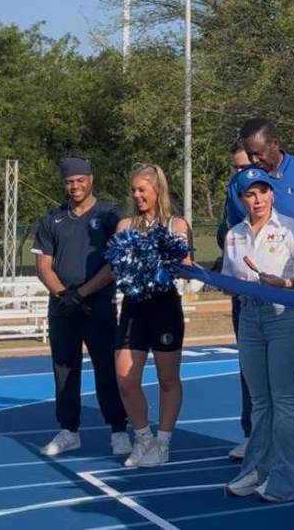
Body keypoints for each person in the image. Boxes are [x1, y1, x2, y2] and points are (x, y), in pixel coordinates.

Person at [225, 118, 294, 480]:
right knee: (262, 393)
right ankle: (260, 461)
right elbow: (236, 233)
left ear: (275, 144)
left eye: (259, 153)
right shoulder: (241, 188)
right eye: (249, 156)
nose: (254, 161)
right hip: (253, 306)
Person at [222, 169, 294, 502]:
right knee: (260, 401)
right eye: (250, 195)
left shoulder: (291, 229)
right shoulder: (234, 235)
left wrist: (284, 284)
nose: (258, 200)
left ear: (272, 194)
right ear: (240, 200)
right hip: (250, 316)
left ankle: (287, 478)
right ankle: (257, 469)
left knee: (284, 399)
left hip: (285, 315)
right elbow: (228, 280)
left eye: (263, 192)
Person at [34, 156, 131, 457]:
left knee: (106, 368)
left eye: (80, 180)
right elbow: (43, 265)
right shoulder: (52, 219)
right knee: (64, 368)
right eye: (69, 182)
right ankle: (68, 430)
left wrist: (83, 293)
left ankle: (117, 430)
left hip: (98, 305)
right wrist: (65, 295)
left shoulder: (111, 215)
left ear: (91, 179)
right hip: (63, 307)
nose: (75, 187)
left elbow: (115, 263)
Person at [112, 163, 194, 467]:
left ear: (157, 189)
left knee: (167, 378)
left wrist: (169, 254)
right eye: (133, 190)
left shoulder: (176, 225)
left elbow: (185, 265)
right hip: (133, 307)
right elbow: (117, 265)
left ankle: (163, 441)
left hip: (164, 307)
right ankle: (143, 437)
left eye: (141, 190)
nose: (136, 195)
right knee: (125, 378)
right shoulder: (125, 227)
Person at [218, 138, 256, 461]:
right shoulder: (234, 192)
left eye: (247, 167)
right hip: (244, 299)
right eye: (237, 168)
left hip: (283, 301)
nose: (242, 174)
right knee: (248, 366)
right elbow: (226, 231)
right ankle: (251, 433)